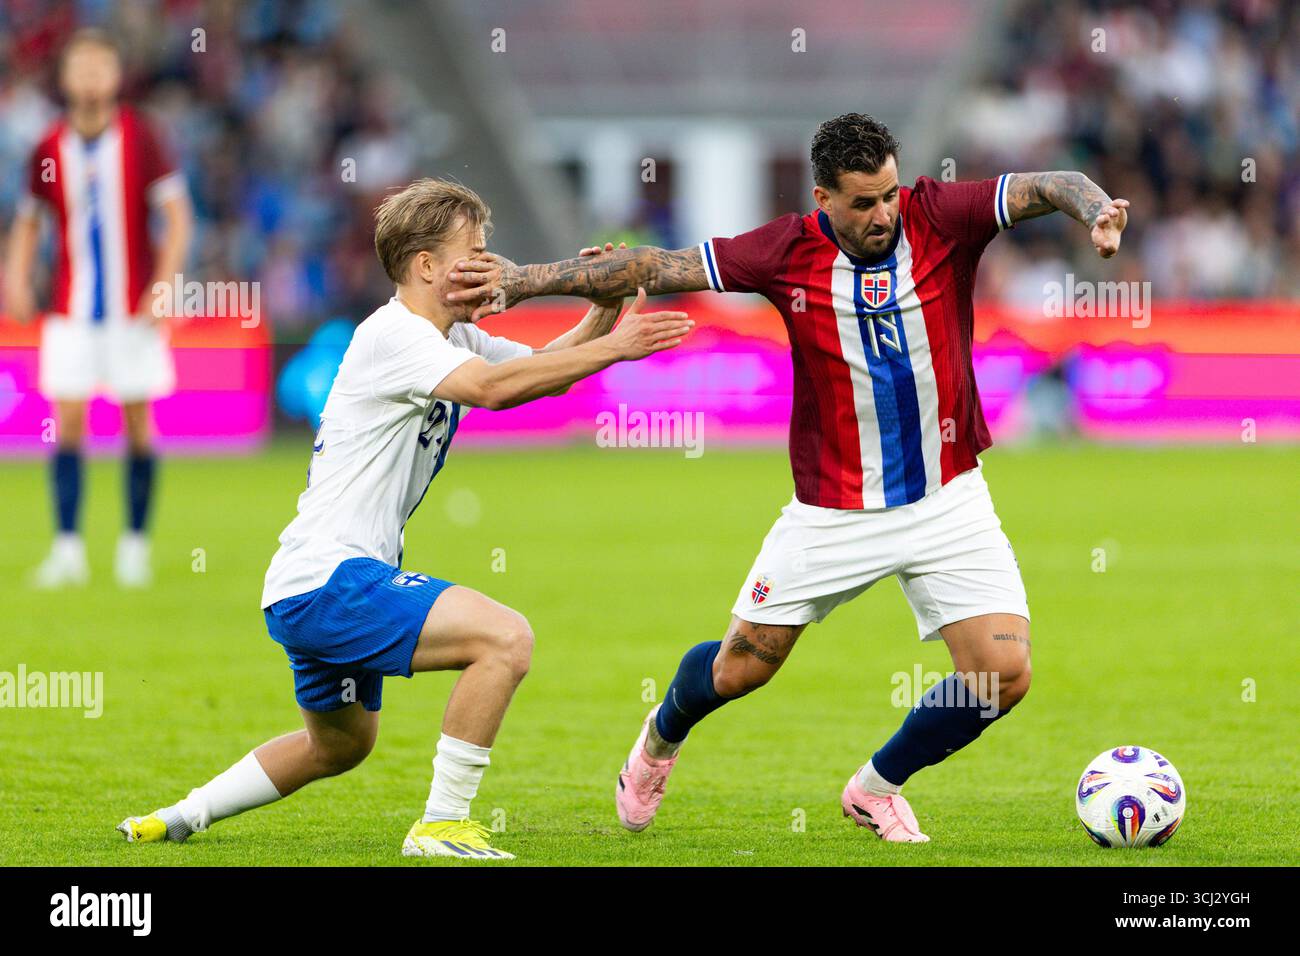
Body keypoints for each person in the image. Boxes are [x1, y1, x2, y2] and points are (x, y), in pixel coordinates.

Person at [446, 113, 1129, 843]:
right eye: (862, 203)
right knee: (743, 668)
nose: (882, 215)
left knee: (1003, 675)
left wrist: (1097, 211)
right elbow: (655, 267)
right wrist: (525, 280)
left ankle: (875, 787)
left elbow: (1050, 183)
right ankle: (660, 736)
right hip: (834, 510)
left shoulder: (941, 215)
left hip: (948, 496)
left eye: (889, 195)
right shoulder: (785, 251)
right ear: (824, 198)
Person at [116, 178, 692, 860]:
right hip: (332, 577)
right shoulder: (395, 334)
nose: (491, 266)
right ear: (425, 267)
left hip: (312, 582)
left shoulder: (453, 335)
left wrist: (603, 311)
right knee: (505, 639)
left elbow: (541, 371)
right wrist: (619, 348)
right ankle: (442, 823)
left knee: (339, 745)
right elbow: (490, 391)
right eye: (474, 252)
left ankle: (178, 817)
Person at [5, 28, 193, 588]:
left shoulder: (144, 137)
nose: (89, 77)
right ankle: (68, 548)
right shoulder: (47, 147)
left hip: (133, 311)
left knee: (138, 423)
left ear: (115, 76)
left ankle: (133, 545)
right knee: (66, 423)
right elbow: (29, 221)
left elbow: (178, 216)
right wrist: (14, 276)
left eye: (99, 66)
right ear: (65, 77)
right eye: (79, 66)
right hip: (71, 310)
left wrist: (165, 282)